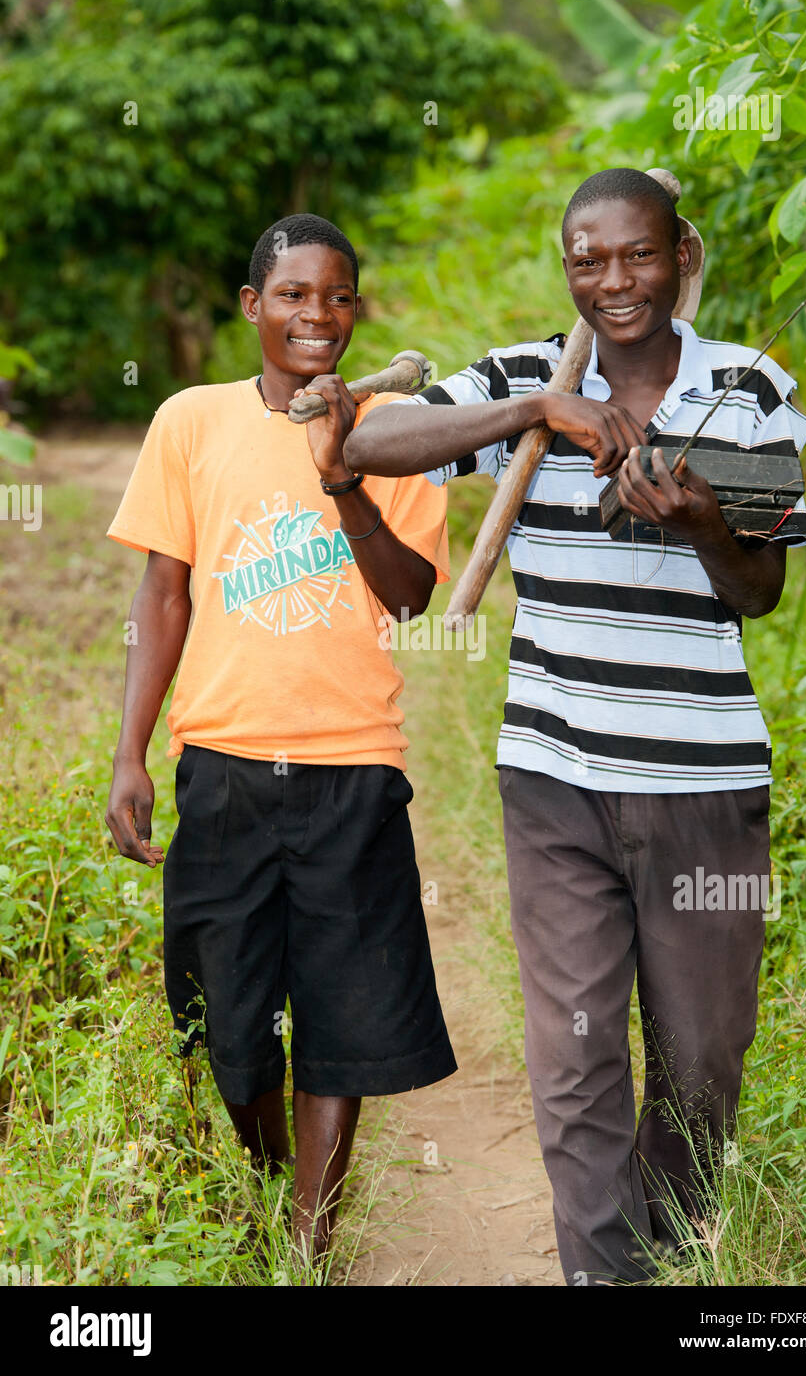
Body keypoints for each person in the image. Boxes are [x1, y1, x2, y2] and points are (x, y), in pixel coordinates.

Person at [344, 168, 806, 1286]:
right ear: (567, 269)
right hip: (552, 773)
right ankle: (602, 1275)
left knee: (702, 1064)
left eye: (637, 256)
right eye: (588, 260)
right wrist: (536, 412)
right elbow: (373, 441)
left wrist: (702, 519)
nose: (615, 282)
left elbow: (760, 594)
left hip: (704, 782)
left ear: (679, 256)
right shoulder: (521, 374)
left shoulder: (746, 386)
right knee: (575, 1058)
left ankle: (669, 1257)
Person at [104, 212, 457, 1268]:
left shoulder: (397, 431)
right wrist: (129, 753)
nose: (319, 315)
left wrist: (343, 469)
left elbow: (410, 596)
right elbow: (164, 593)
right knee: (228, 1023)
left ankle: (307, 1240)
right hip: (223, 768)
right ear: (254, 306)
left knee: (345, 1017)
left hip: (353, 765)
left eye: (338, 296)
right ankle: (270, 1189)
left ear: (359, 311)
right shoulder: (191, 422)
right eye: (295, 295)